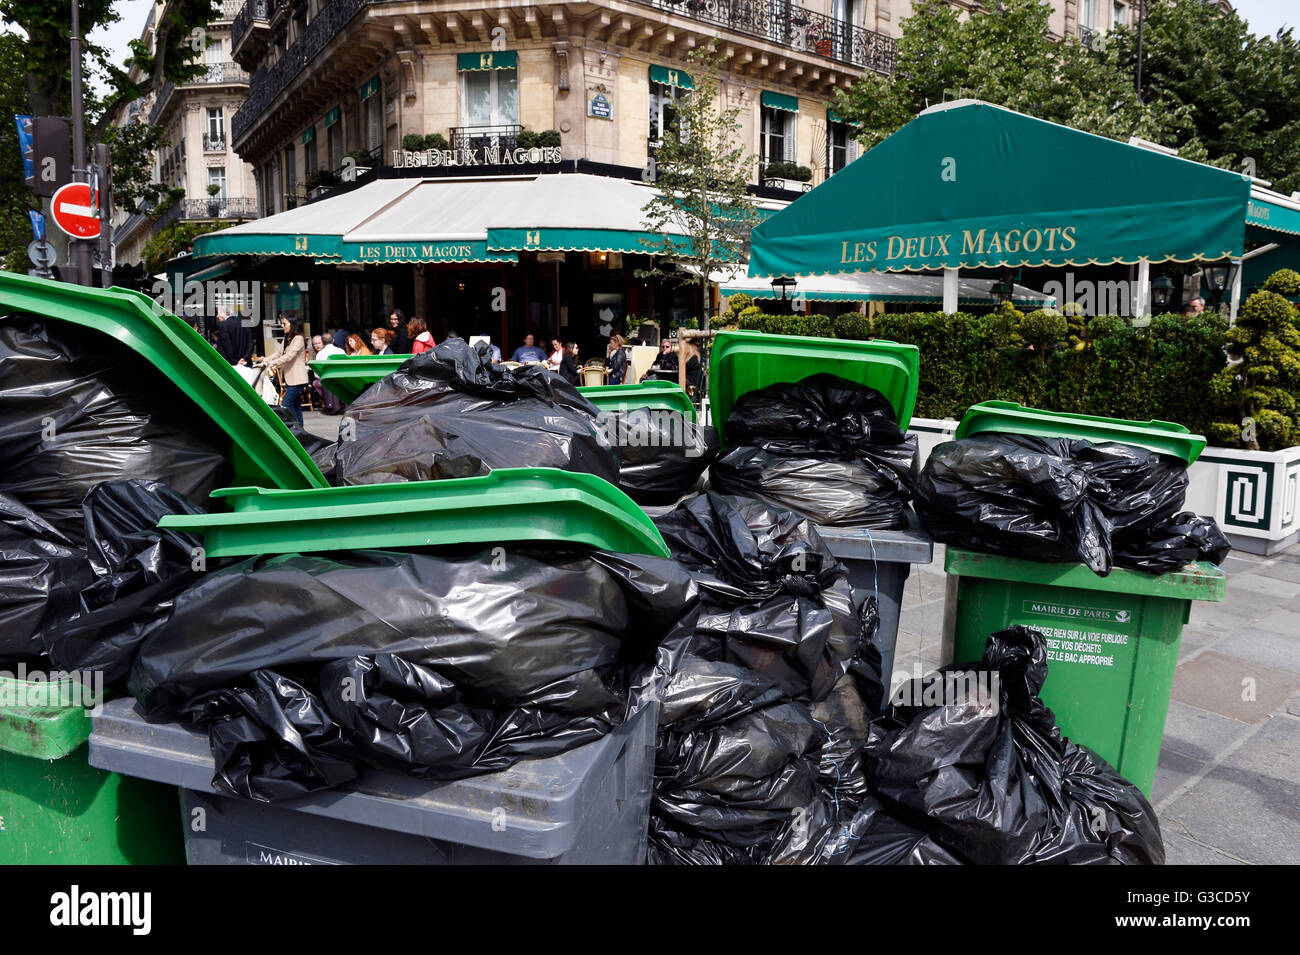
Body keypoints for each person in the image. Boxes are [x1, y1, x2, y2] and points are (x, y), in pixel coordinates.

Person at [261, 315, 309, 427]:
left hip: (298, 378)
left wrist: (272, 363)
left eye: (284, 324)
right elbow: (278, 353)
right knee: (296, 405)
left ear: (292, 324)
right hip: (290, 378)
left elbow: (289, 356)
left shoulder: (299, 338)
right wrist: (266, 359)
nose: (283, 326)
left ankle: (294, 428)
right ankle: (300, 430)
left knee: (287, 403)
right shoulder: (287, 338)